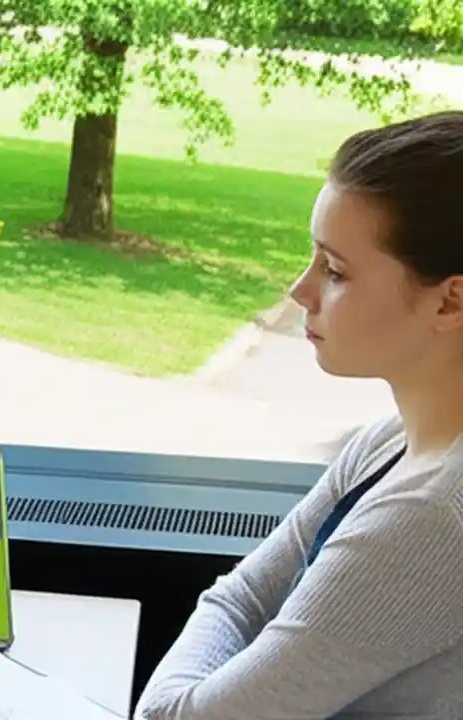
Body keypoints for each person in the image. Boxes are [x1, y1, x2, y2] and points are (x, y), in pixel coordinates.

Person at [133, 110, 463, 718]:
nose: (300, 291)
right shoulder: (388, 444)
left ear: (451, 299)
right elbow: (237, 601)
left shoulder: (431, 520)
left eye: (335, 271)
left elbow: (169, 717)